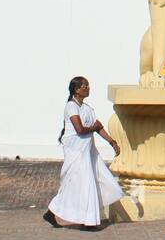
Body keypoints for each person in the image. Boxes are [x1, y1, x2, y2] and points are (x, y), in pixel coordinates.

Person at [43, 77, 123, 230]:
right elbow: (79, 129)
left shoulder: (86, 108)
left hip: (88, 152)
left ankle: (55, 213)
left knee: (84, 184)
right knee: (82, 185)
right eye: (84, 86)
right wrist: (93, 128)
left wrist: (112, 142)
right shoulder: (71, 107)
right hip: (76, 152)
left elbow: (98, 127)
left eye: (88, 86)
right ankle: (87, 221)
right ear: (76, 89)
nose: (88, 88)